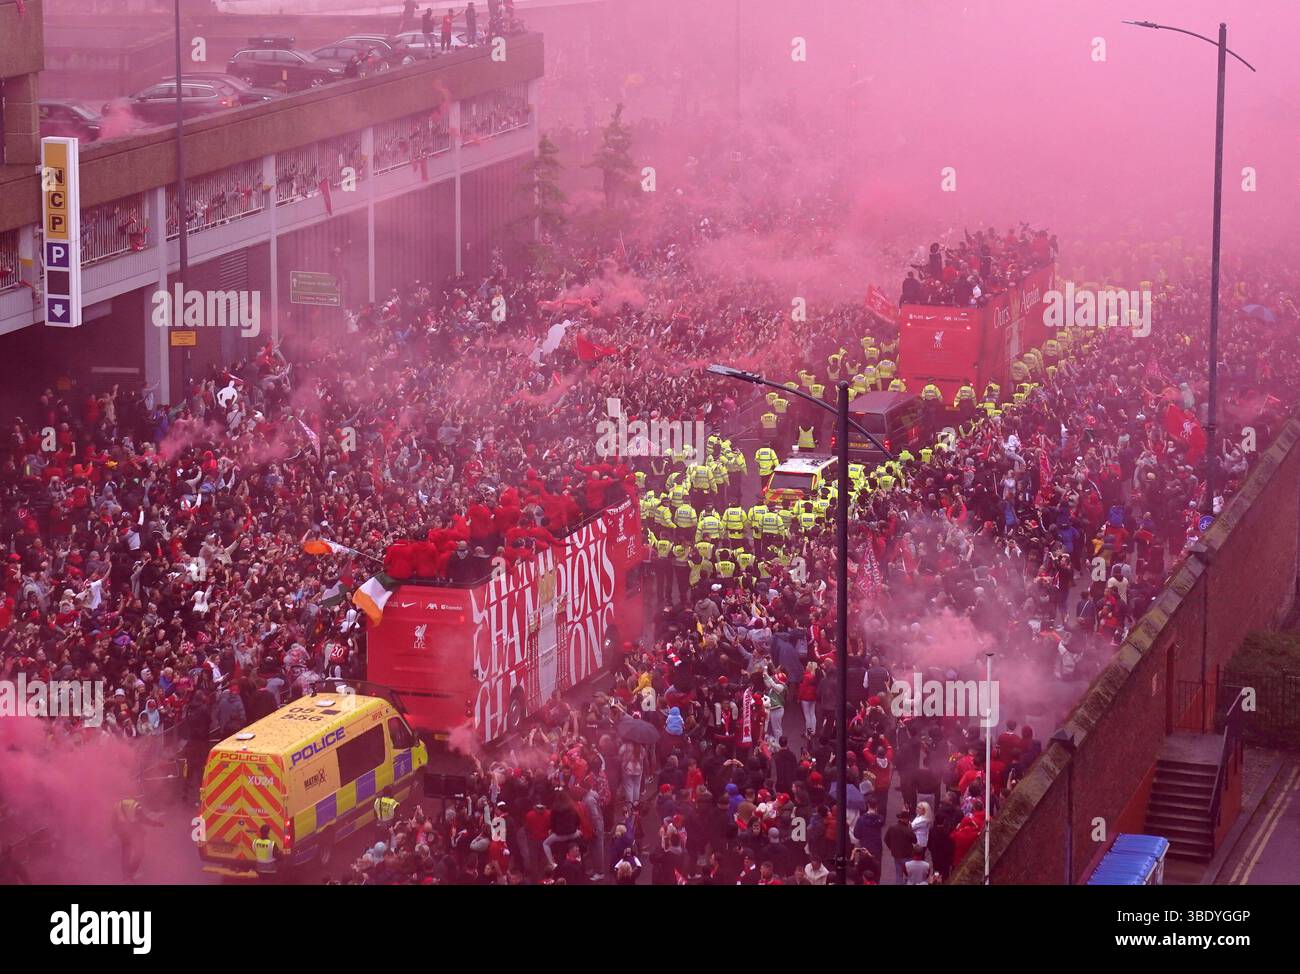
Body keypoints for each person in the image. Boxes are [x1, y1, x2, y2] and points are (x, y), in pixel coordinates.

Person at [113, 797, 165, 882]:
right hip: (134, 833)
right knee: (140, 852)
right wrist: (156, 824)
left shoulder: (118, 804)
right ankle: (131, 873)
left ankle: (125, 877)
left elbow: (113, 822)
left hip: (123, 833)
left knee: (125, 854)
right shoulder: (135, 805)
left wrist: (118, 832)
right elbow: (143, 819)